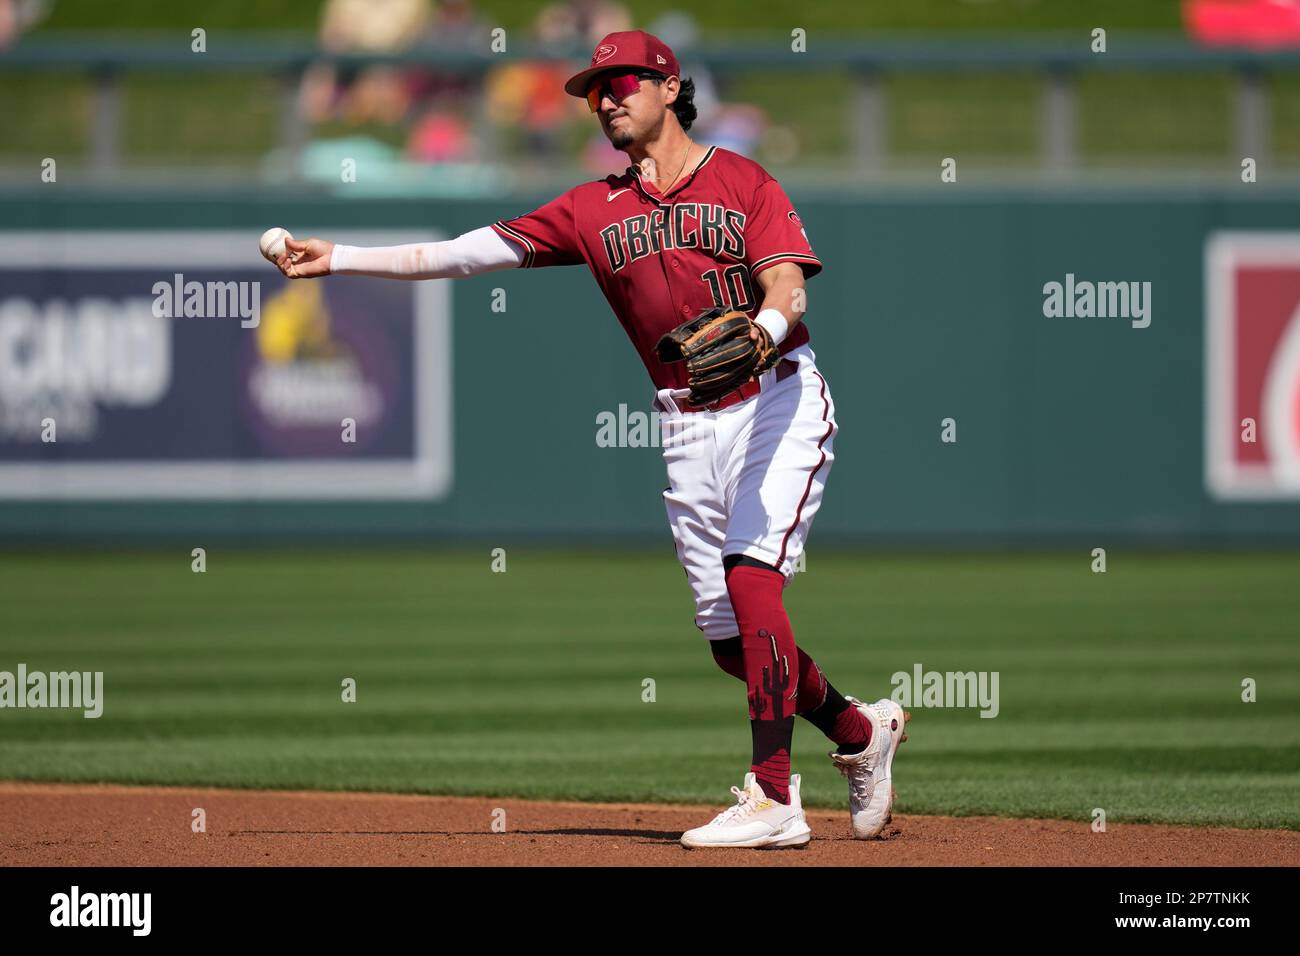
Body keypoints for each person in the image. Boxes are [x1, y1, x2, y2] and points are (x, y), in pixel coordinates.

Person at [270, 29, 907, 849]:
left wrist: (768, 326)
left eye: (625, 81)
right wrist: (343, 258)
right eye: (596, 87)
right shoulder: (590, 209)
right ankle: (859, 732)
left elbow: (786, 283)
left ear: (671, 87)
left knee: (755, 585)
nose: (608, 96)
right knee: (729, 643)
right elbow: (467, 254)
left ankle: (774, 798)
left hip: (777, 404)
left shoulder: (744, 181)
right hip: (686, 422)